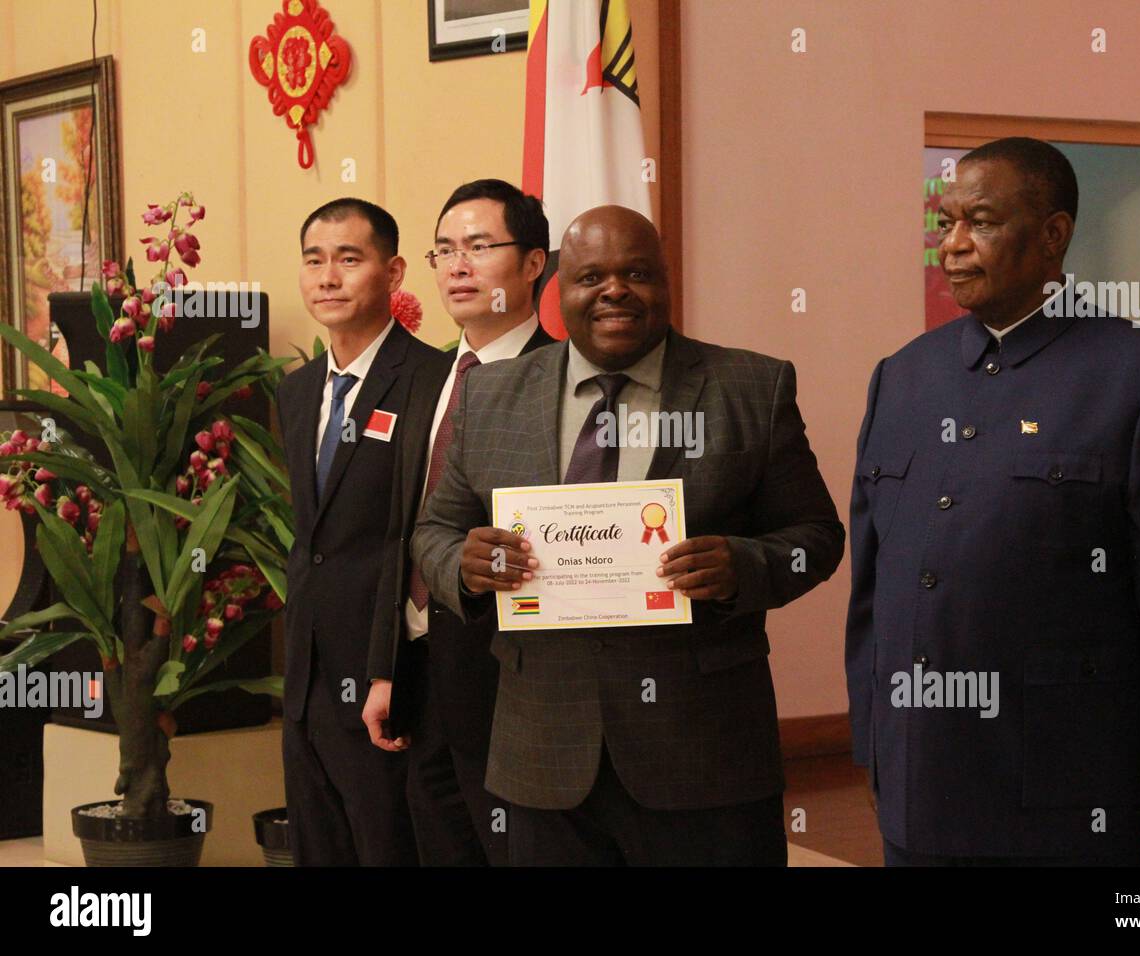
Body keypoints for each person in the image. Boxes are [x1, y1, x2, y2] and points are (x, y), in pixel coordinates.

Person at [410, 205, 844, 865]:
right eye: (592, 277)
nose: (615, 290)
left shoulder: (750, 387)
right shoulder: (493, 395)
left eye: (637, 273)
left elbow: (816, 536)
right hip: (544, 753)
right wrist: (462, 566)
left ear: (667, 285)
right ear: (560, 291)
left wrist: (745, 565)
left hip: (704, 755)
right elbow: (435, 528)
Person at [846, 137, 1140, 866]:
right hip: (917, 779)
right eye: (945, 223)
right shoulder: (902, 377)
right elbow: (871, 590)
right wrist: (874, 745)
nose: (954, 245)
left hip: (1065, 795)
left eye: (982, 222)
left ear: (1053, 234)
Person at [363, 180, 554, 865]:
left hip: (518, 685)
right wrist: (388, 665)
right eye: (444, 250)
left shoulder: (565, 381)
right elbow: (401, 533)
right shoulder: (427, 379)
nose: (457, 266)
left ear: (534, 263)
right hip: (423, 673)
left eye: (479, 246)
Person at [276, 198, 448, 865]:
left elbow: (412, 540)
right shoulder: (297, 391)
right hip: (307, 680)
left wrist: (390, 671)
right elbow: (312, 542)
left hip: (390, 679)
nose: (328, 277)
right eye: (314, 261)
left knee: (390, 850)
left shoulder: (433, 383)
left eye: (349, 259)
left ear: (394, 271)